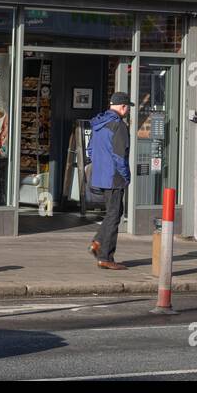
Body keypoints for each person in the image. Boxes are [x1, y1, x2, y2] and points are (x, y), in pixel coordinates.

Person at [87, 92, 132, 270]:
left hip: (101, 176)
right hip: (114, 177)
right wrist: (126, 177)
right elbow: (120, 156)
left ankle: (97, 243)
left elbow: (90, 150)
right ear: (123, 107)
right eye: (128, 106)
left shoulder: (99, 123)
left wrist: (101, 166)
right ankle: (106, 257)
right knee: (114, 216)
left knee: (114, 212)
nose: (128, 110)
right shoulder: (118, 125)